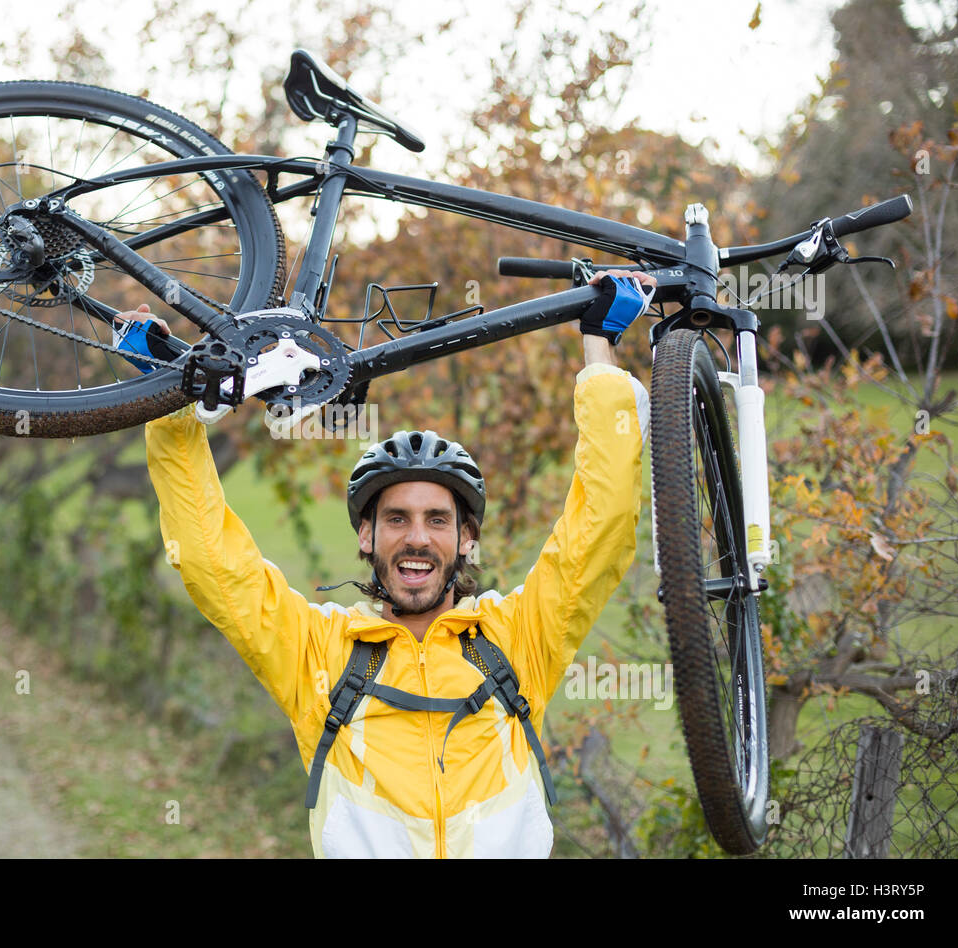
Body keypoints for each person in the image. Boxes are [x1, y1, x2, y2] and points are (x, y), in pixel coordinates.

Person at [136, 269, 654, 858]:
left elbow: (602, 530)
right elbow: (212, 562)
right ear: (366, 534)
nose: (416, 539)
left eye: (437, 520)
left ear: (465, 540)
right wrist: (170, 409)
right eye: (397, 519)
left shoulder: (517, 639)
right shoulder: (317, 653)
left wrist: (599, 347)